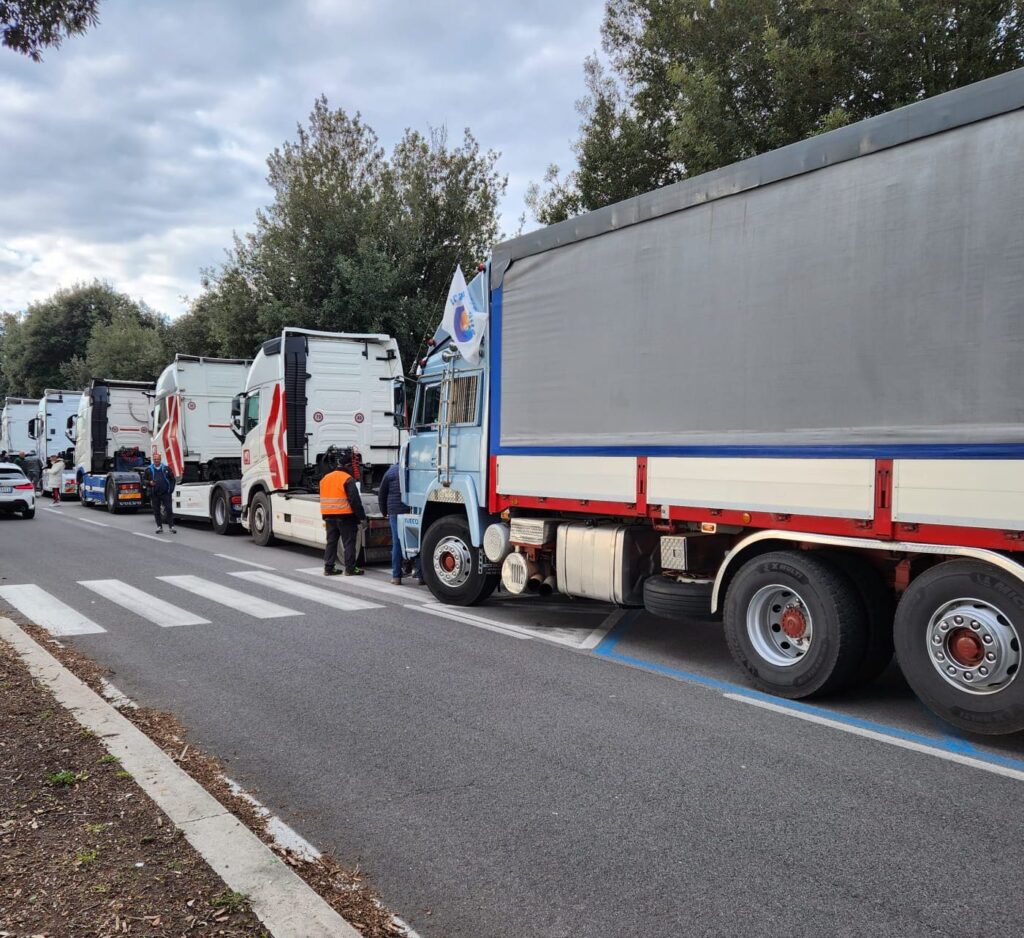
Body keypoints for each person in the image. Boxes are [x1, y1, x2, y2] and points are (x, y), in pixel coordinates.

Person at [320, 449, 366, 576]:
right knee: (349, 542)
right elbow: (354, 500)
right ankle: (350, 569)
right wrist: (361, 517)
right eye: (354, 467)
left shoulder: (325, 478)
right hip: (345, 516)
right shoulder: (347, 479)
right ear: (348, 466)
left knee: (331, 542)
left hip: (329, 516)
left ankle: (328, 567)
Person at [378, 462, 422, 586]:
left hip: (395, 512)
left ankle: (396, 576)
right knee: (417, 541)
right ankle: (420, 576)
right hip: (413, 510)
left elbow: (382, 494)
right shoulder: (415, 470)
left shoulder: (390, 472)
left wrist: (384, 512)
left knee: (397, 543)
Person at [145, 452, 176, 534]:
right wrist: (149, 483)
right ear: (153, 460)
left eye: (158, 459)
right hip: (154, 494)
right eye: (155, 459)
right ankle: (159, 527)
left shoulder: (166, 468)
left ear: (160, 459)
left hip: (166, 493)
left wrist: (171, 490)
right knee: (156, 511)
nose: (156, 460)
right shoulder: (148, 470)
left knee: (169, 510)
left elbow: (173, 479)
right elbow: (143, 481)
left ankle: (171, 527)